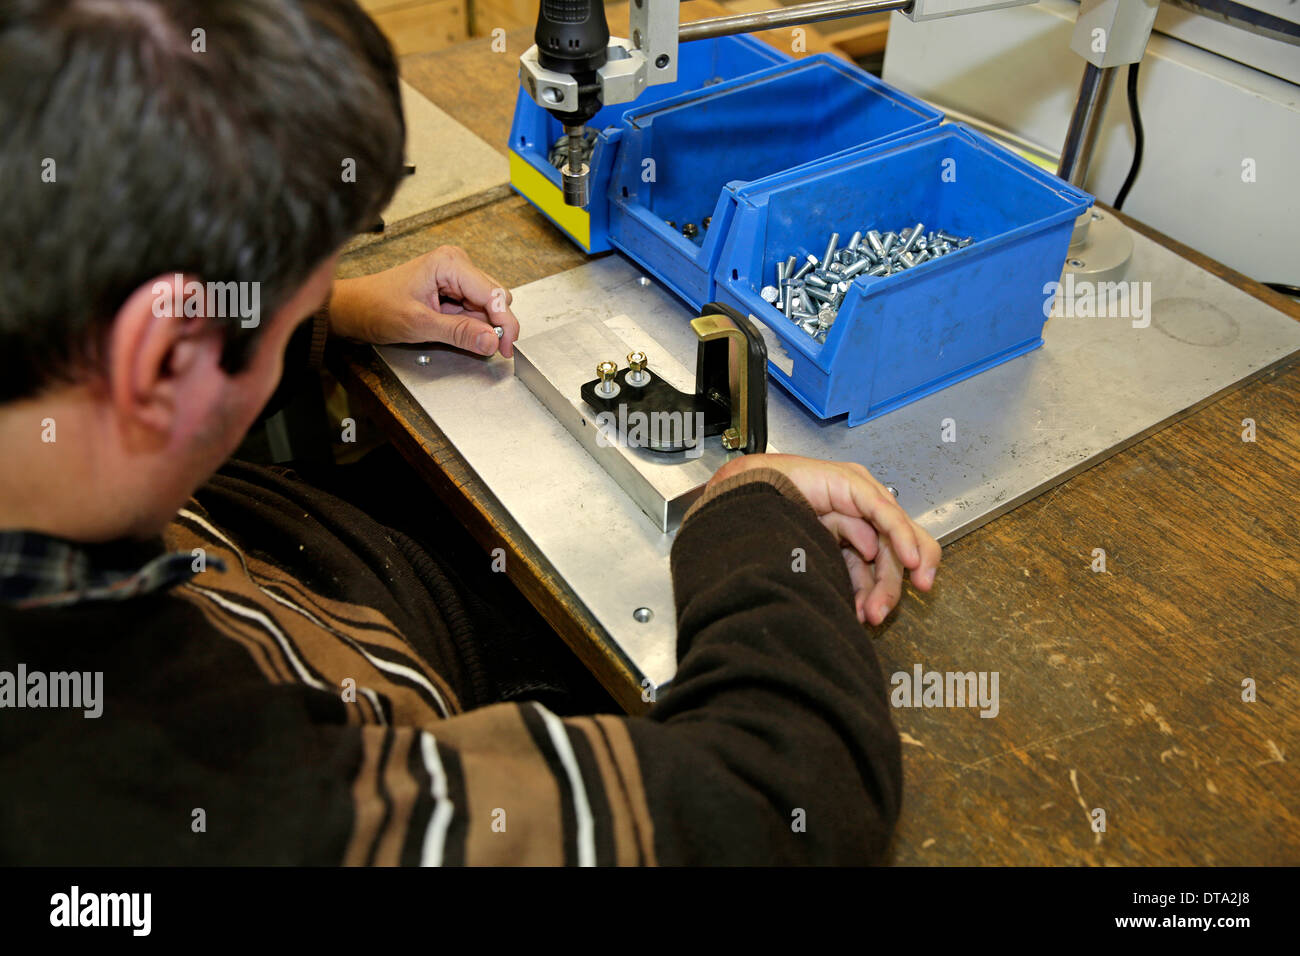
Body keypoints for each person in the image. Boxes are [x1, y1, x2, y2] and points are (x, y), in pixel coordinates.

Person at [0, 0, 940, 865]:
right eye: (293, 300)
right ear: (163, 358)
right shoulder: (201, 797)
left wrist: (342, 311)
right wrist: (749, 523)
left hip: (317, 568)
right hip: (413, 682)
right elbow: (776, 805)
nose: (306, 307)